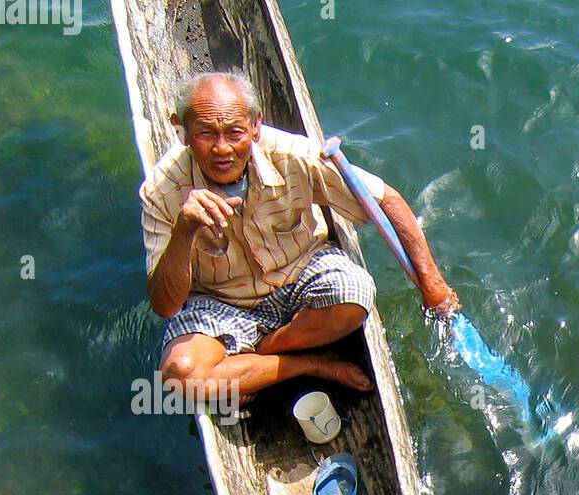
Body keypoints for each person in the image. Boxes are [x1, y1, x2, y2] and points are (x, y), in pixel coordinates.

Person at [141, 70, 459, 402]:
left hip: (301, 273)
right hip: (221, 301)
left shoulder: (292, 155)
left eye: (235, 132)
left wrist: (433, 286)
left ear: (255, 126)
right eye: (206, 133)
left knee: (355, 295)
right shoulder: (161, 192)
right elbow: (166, 306)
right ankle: (304, 365)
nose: (222, 149)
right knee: (179, 377)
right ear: (182, 131)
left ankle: (262, 350)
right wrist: (184, 230)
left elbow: (386, 200)